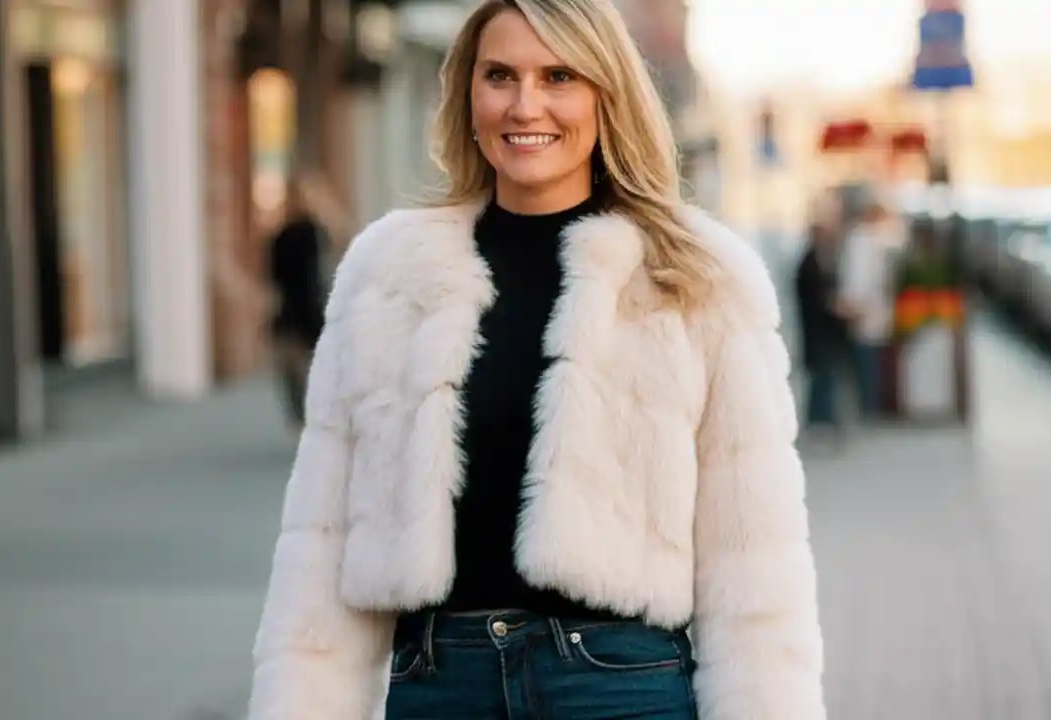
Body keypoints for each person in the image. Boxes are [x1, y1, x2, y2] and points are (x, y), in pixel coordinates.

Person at [247, 1, 825, 718]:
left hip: (620, 685)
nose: (526, 104)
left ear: (605, 92)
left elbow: (754, 564)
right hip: (439, 683)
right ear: (467, 93)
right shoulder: (390, 273)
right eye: (500, 76)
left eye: (558, 75)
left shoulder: (697, 277)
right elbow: (321, 548)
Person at [266, 176, 330, 429]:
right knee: (310, 369)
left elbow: (272, 277)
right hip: (309, 308)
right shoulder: (314, 231)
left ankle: (301, 417)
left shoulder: (283, 235)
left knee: (294, 370)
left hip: (293, 310)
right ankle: (310, 415)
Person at [836, 200, 899, 419]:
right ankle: (868, 407)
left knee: (869, 360)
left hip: (871, 313)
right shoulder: (861, 241)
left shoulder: (871, 240)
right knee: (865, 363)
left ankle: (868, 405)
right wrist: (856, 305)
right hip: (864, 312)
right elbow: (859, 279)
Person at [795, 219, 849, 430]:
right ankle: (819, 418)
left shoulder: (820, 261)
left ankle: (823, 417)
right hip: (817, 331)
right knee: (821, 375)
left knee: (825, 375)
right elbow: (816, 300)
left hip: (823, 332)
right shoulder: (810, 263)